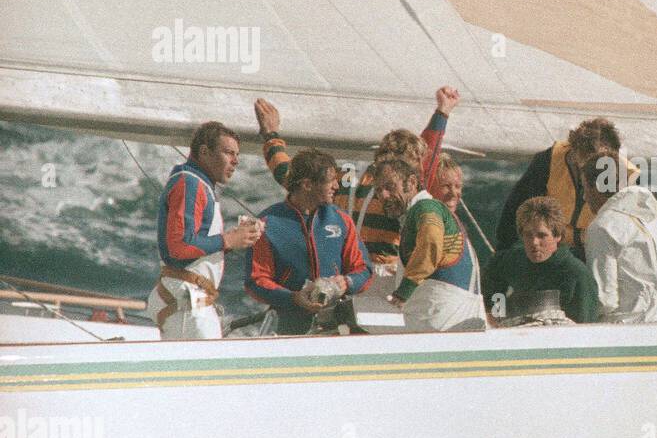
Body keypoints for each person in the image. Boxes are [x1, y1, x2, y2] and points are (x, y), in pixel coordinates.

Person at [253, 87, 458, 266]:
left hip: (341, 272)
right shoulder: (400, 193)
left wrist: (271, 135)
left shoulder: (343, 178)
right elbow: (430, 159)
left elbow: (288, 175)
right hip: (382, 279)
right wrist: (442, 113)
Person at [146, 121, 262, 339]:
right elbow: (179, 247)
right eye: (228, 153)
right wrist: (227, 240)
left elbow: (189, 249)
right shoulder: (190, 183)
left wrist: (236, 240)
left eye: (237, 155)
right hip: (187, 305)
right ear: (205, 152)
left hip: (190, 302)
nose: (235, 161)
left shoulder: (198, 183)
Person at [246, 149, 373, 335]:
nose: (337, 186)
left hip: (337, 325)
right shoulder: (267, 223)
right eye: (331, 181)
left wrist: (346, 282)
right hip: (289, 323)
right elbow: (256, 281)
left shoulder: (341, 220)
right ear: (307, 184)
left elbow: (364, 269)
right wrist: (294, 298)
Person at [371, 157, 486, 332]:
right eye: (378, 190)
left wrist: (403, 292)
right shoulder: (424, 213)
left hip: (444, 322)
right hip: (452, 320)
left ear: (411, 182)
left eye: (389, 187)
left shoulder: (426, 208)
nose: (383, 196)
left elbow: (430, 243)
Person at [495, 118, 634, 259]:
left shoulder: (624, 176)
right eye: (590, 163)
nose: (597, 170)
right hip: (552, 246)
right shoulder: (547, 162)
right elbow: (514, 210)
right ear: (574, 153)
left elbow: (625, 232)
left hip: (594, 248)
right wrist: (502, 254)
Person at [578, 150, 657, 323]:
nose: (584, 196)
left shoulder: (602, 227)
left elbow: (604, 299)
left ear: (597, 187)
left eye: (584, 187)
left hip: (629, 334)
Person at [482, 197, 600, 325]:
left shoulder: (578, 276)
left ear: (558, 236)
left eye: (542, 235)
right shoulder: (511, 260)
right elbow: (491, 283)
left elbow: (585, 330)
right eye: (528, 235)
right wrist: (498, 314)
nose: (534, 242)